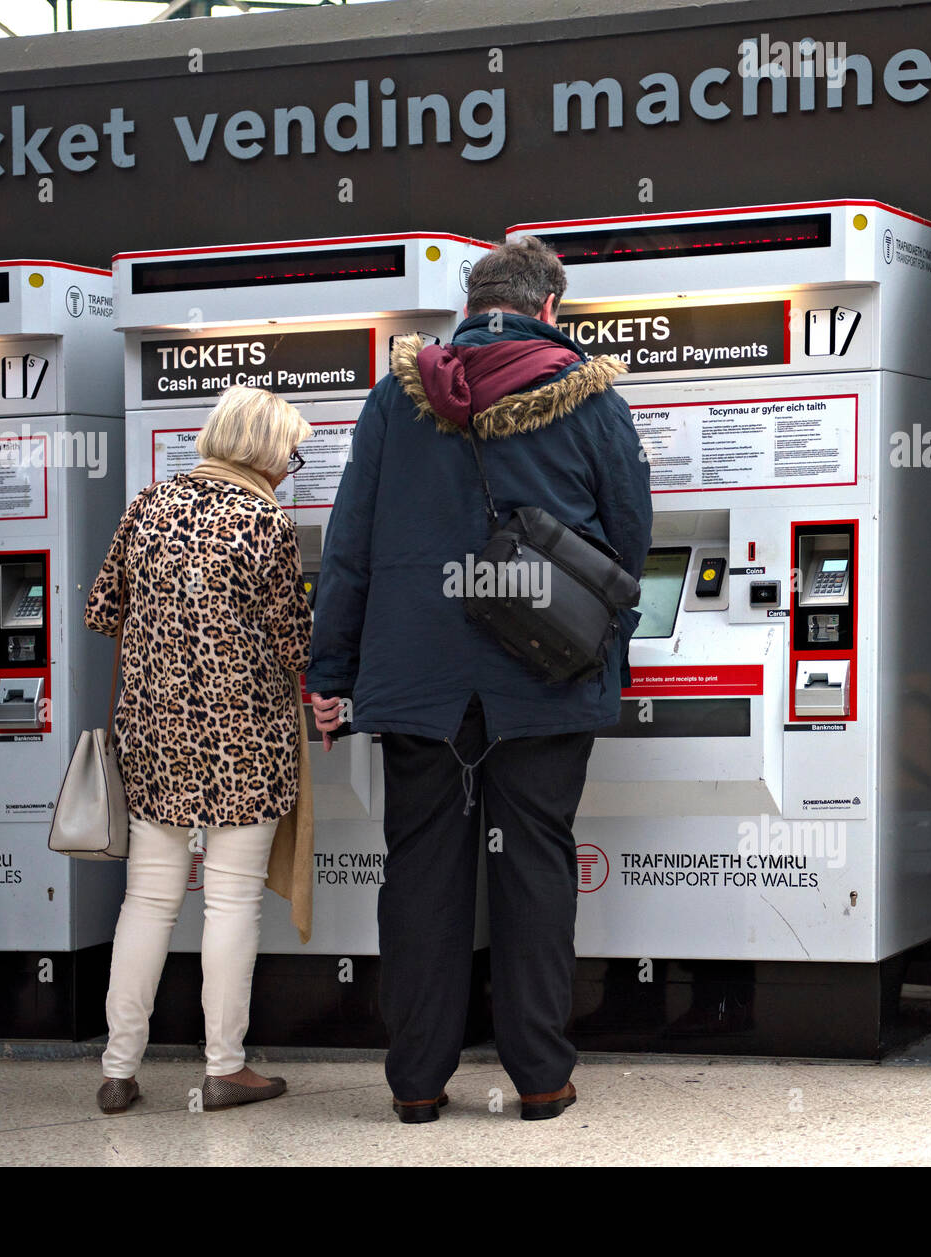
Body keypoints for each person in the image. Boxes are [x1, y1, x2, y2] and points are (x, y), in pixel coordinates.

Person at [306, 236, 652, 1122]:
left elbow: (349, 550)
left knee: (421, 871)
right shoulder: (588, 398)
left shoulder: (396, 399)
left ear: (469, 305)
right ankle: (541, 1075)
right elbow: (628, 542)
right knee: (535, 866)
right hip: (541, 674)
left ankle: (417, 1082)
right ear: (548, 308)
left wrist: (330, 671)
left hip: (417, 681)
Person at [84, 385, 314, 1115]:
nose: (291, 466)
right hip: (246, 743)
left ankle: (118, 1068)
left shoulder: (147, 507)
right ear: (267, 450)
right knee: (231, 904)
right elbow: (296, 643)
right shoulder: (265, 521)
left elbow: (101, 612)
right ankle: (224, 1067)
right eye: (292, 453)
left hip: (155, 742)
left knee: (147, 902)